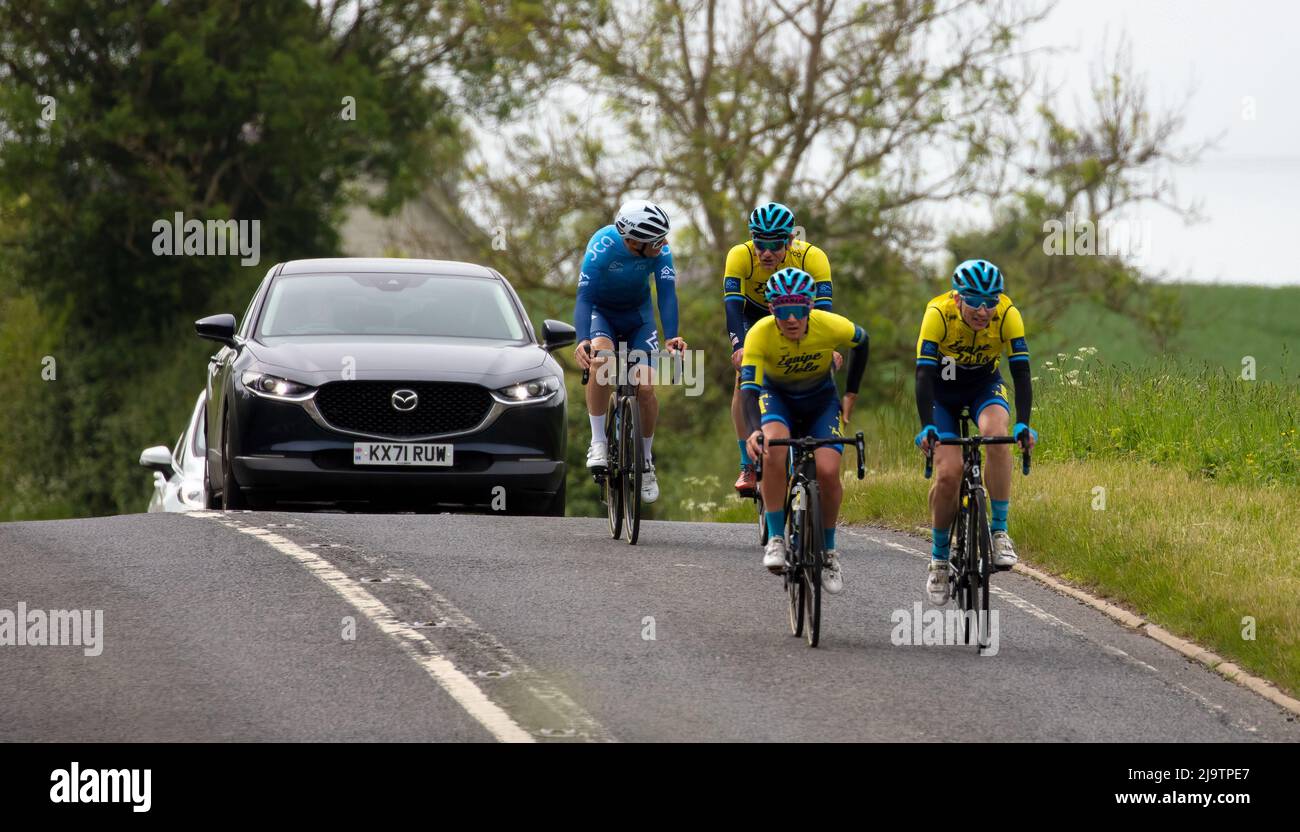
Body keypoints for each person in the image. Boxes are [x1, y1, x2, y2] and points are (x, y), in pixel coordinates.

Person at [913, 259, 1038, 604]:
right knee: (950, 472)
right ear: (957, 299)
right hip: (942, 392)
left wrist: (1023, 421)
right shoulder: (937, 313)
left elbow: (1021, 372)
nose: (983, 311)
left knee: (998, 437)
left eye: (991, 301)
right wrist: (927, 425)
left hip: (984, 386)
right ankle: (939, 559)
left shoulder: (1007, 312)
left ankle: (999, 531)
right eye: (975, 302)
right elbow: (923, 376)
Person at [739, 267, 868, 594]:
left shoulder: (830, 325)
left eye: (799, 310)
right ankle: (777, 539)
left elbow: (862, 342)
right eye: (783, 310)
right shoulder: (760, 333)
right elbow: (749, 389)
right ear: (771, 309)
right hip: (776, 398)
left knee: (827, 471)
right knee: (774, 451)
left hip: (821, 402)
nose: (792, 319)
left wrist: (851, 394)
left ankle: (828, 551)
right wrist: (755, 431)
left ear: (811, 307)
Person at [573, 200, 688, 503]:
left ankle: (646, 462)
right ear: (633, 242)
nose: (664, 245)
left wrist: (673, 336)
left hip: (639, 319)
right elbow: (584, 297)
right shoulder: (602, 245)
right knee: (601, 364)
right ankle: (598, 442)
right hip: (602, 315)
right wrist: (583, 340)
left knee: (646, 387)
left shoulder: (660, 253)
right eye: (657, 241)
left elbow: (666, 294)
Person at [723, 202, 834, 496]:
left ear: (790, 240)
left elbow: (823, 314)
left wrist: (828, 350)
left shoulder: (812, 257)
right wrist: (738, 346)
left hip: (798, 314)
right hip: (752, 317)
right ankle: (747, 463)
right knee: (743, 378)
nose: (766, 252)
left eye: (775, 244)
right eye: (760, 243)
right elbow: (733, 308)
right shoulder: (740, 255)